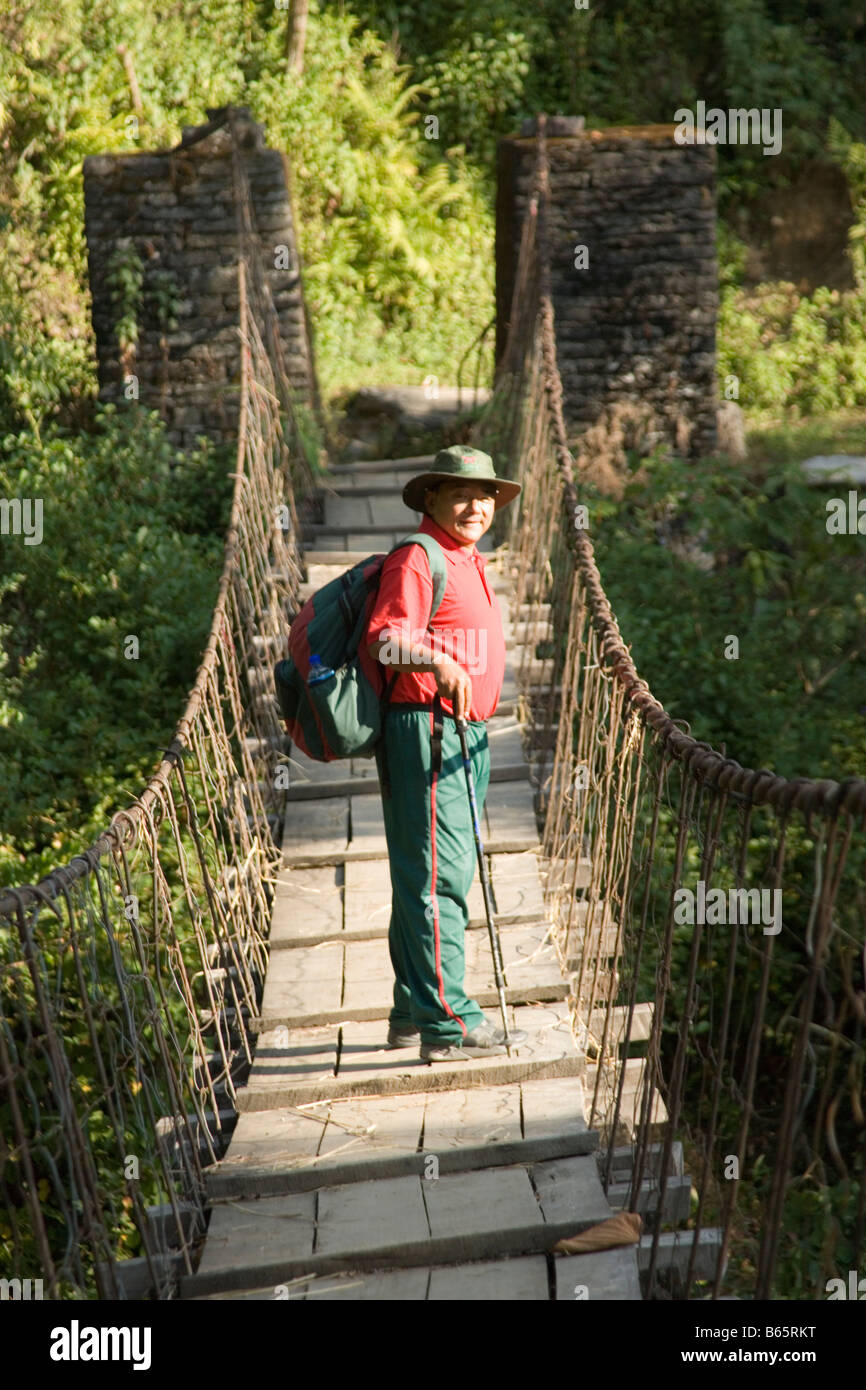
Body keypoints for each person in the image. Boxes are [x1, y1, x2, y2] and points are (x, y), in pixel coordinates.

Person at [363, 445, 529, 1063]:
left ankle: (412, 1011)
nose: (475, 505)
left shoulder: (468, 557)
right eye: (460, 493)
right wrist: (437, 661)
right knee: (441, 877)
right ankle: (450, 1023)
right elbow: (385, 641)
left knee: (425, 870)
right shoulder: (418, 556)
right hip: (429, 730)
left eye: (485, 494)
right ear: (430, 498)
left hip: (466, 735)